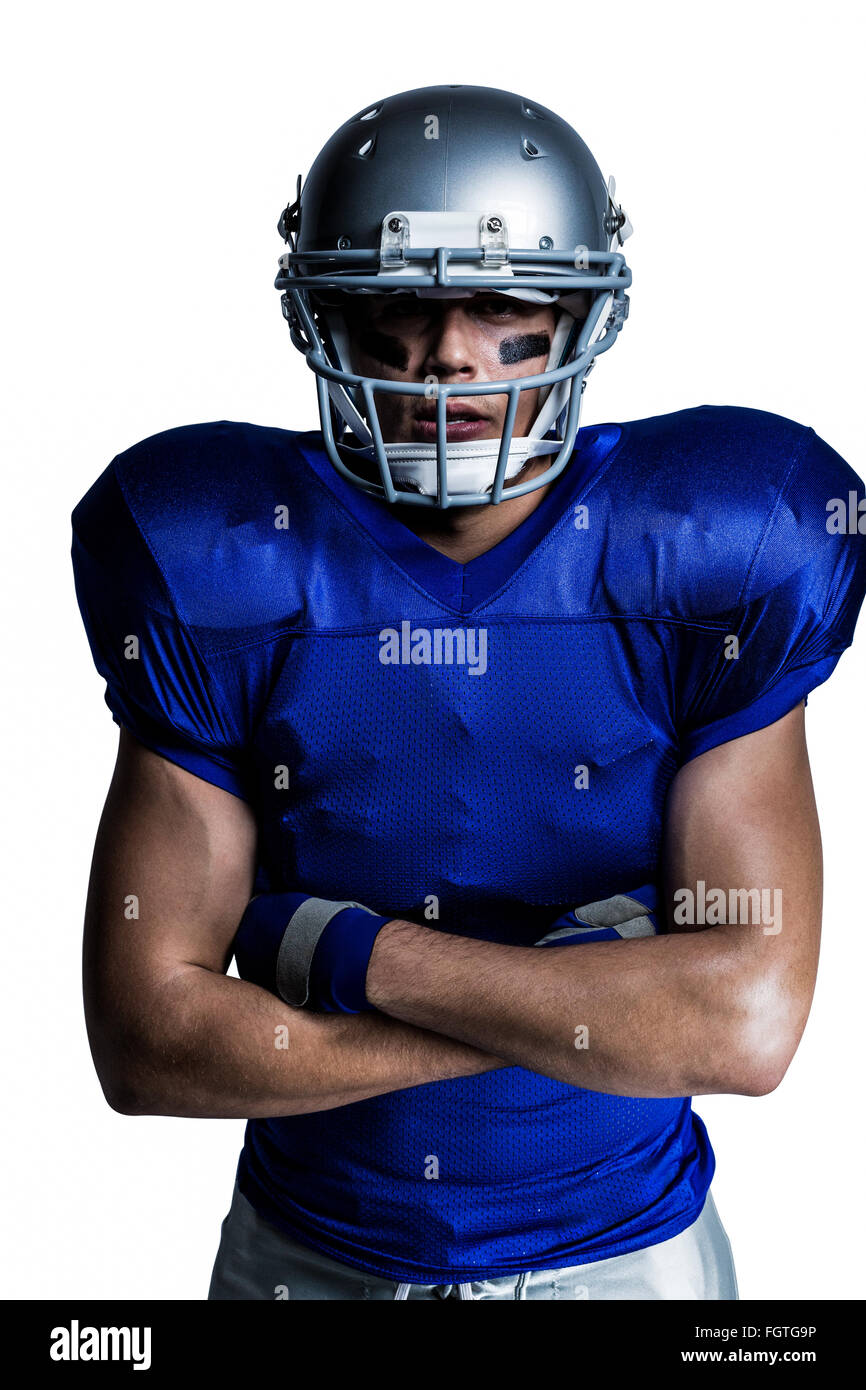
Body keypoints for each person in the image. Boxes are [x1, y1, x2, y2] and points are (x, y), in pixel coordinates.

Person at [71, 84, 866, 1301]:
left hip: (626, 1259)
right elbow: (148, 1041)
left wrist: (347, 951)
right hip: (311, 1257)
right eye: (401, 304)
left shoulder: (715, 542)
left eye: (499, 306)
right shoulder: (215, 552)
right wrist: (575, 997)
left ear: (577, 313)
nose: (447, 352)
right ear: (325, 315)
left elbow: (743, 1025)